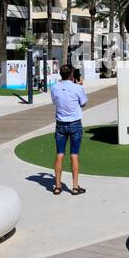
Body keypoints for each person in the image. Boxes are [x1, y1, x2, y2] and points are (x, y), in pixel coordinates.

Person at [50, 63, 88, 195]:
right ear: (72, 74)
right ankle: (75, 186)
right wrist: (80, 85)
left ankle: (57, 186)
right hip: (75, 124)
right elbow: (83, 103)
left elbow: (55, 102)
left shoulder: (54, 88)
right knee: (74, 155)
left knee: (60, 154)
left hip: (60, 124)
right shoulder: (77, 88)